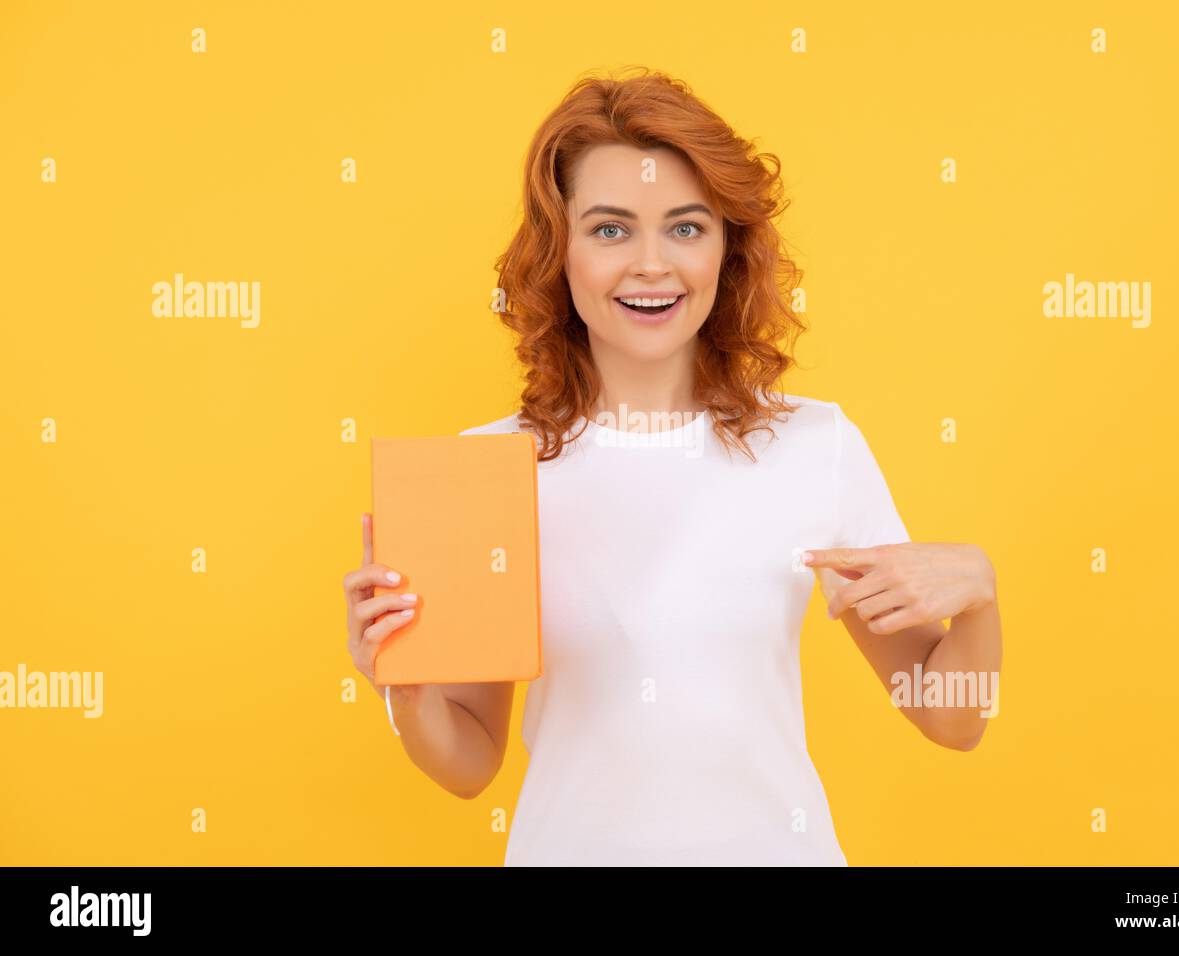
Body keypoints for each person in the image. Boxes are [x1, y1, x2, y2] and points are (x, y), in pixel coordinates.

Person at [342, 68, 1002, 866]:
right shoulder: (490, 466)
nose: (651, 264)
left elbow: (950, 718)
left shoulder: (812, 447)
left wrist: (978, 592)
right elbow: (471, 761)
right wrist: (407, 691)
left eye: (686, 228)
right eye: (611, 229)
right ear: (561, 253)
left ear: (727, 250)